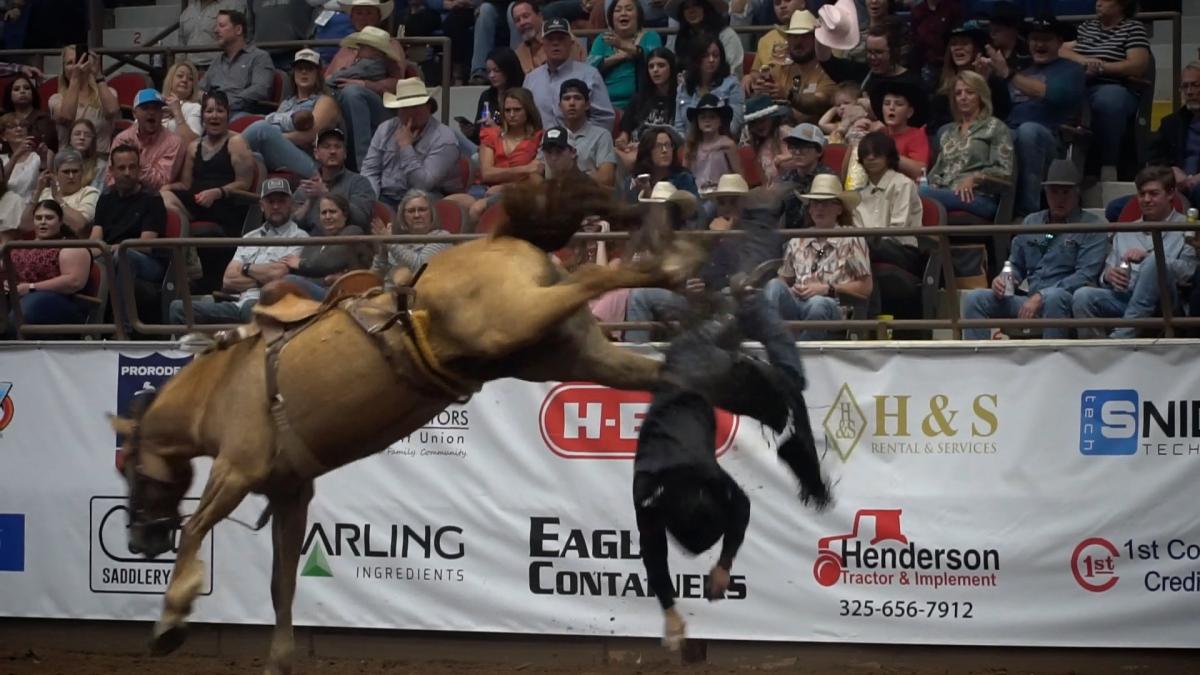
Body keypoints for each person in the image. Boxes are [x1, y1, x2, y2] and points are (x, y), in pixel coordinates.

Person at [633, 256, 829, 649]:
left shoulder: (686, 479)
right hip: (690, 369)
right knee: (758, 365)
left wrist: (720, 566)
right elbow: (734, 509)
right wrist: (675, 608)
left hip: (707, 376)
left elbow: (737, 508)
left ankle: (744, 298)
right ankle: (736, 298)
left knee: (791, 380)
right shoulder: (656, 491)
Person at [961, 160, 1106, 340]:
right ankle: (977, 362)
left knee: (1054, 297)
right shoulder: (1032, 222)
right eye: (1054, 191)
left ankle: (1053, 361)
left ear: (1078, 193)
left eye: (1066, 192)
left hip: (1065, 300)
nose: (1059, 198)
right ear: (1046, 192)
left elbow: (1085, 275)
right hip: (1028, 299)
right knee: (974, 299)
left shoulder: (1092, 226)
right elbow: (1016, 264)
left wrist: (1041, 296)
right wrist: (1005, 279)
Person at [1072, 166, 1196, 339]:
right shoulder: (1125, 230)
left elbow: (1189, 272)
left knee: (1155, 262)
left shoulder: (1187, 227)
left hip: (1165, 304)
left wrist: (1151, 258)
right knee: (1082, 295)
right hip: (1127, 297)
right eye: (1141, 194)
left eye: (1153, 194)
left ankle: (1121, 338)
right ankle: (1097, 355)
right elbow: (1107, 272)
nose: (1146, 199)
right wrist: (1108, 276)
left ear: (1170, 194)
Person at [168, 178, 309, 325]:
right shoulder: (250, 237)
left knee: (251, 309)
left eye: (281, 201)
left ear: (291, 205)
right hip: (237, 304)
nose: (275, 206)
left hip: (271, 305)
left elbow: (278, 275)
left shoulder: (300, 237)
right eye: (271, 201)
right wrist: (262, 278)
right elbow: (228, 280)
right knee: (178, 308)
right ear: (261, 205)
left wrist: (245, 268)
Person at [992, 15, 1085, 218]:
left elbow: (1051, 93)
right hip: (1012, 133)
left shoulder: (1071, 70)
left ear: (1059, 43)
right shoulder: (1023, 69)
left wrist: (1009, 74)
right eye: (1034, 39)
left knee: (1028, 131)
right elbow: (997, 107)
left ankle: (1028, 213)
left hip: (1052, 142)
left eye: (1046, 39)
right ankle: (990, 206)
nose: (1039, 44)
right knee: (997, 132)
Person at [765, 174, 871, 340]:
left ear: (839, 209)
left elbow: (866, 286)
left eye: (826, 203)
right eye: (815, 203)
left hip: (833, 304)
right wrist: (790, 289)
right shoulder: (796, 240)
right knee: (773, 286)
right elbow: (783, 279)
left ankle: (801, 356)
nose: (819, 209)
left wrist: (828, 289)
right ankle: (771, 343)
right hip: (797, 302)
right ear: (809, 209)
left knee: (818, 303)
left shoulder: (852, 238)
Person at [1058, 0, 1150, 179]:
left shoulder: (1133, 28)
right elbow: (1061, 50)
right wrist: (1084, 62)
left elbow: (1138, 65)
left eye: (1105, 0)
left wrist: (1101, 68)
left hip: (1116, 86)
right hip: (1082, 84)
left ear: (1121, 4)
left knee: (1109, 99)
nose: (1098, 3)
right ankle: (1062, 164)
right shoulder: (1087, 27)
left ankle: (1108, 164)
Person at [327, 0, 410, 172]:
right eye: (359, 13)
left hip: (382, 107)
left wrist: (365, 84)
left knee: (353, 92)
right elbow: (327, 78)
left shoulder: (389, 44)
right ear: (351, 17)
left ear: (378, 17)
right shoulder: (344, 49)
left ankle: (364, 165)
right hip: (339, 102)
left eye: (369, 13)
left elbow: (399, 84)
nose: (363, 17)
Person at [161, 91, 256, 238]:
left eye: (220, 110)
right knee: (163, 197)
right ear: (203, 117)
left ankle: (185, 246)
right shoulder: (193, 146)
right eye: (209, 111)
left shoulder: (237, 142)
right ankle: (185, 246)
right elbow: (186, 185)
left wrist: (218, 192)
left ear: (228, 115)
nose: (214, 116)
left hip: (224, 204)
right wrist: (168, 187)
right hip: (196, 203)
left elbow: (244, 184)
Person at [920, 70, 1013, 220]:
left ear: (980, 96)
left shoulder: (995, 127)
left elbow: (1005, 172)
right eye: (958, 93)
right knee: (908, 191)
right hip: (945, 193)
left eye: (969, 92)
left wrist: (975, 178)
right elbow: (937, 171)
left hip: (977, 197)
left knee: (918, 195)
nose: (963, 97)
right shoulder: (948, 133)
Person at [361, 78, 462, 208]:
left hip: (427, 199)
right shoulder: (385, 128)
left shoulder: (444, 138)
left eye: (415, 107)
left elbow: (423, 184)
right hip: (385, 196)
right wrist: (372, 202)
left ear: (428, 107)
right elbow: (370, 170)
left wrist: (406, 147)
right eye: (404, 108)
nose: (410, 113)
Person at [241, 48, 340, 174]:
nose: (304, 72)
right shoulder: (286, 103)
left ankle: (229, 152)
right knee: (253, 156)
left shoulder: (325, 101)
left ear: (317, 74)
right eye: (299, 69)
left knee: (261, 129)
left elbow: (310, 136)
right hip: (282, 153)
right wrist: (273, 137)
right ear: (293, 74)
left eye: (309, 69)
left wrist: (274, 137)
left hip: (310, 163)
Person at [3, 200, 91, 332]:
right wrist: (8, 282)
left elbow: (74, 282)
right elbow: (6, 267)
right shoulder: (20, 245)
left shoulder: (71, 246)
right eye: (38, 218)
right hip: (20, 297)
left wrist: (31, 287)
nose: (43, 222)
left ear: (60, 222)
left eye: (49, 218)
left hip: (60, 302)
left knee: (25, 308)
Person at [465, 87, 545, 222]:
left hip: (520, 191)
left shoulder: (539, 136)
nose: (512, 114)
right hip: (484, 188)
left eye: (517, 110)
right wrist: (525, 169)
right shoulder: (491, 134)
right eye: (507, 110)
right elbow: (487, 173)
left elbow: (537, 175)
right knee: (451, 203)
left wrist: (504, 186)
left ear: (528, 110)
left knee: (477, 209)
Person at [92, 144, 169, 283]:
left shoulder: (152, 198)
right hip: (110, 253)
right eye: (121, 168)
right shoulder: (106, 196)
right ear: (112, 171)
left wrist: (116, 248)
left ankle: (123, 306)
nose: (127, 173)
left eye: (132, 167)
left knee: (125, 255)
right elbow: (95, 238)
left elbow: (146, 244)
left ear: (139, 169)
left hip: (147, 260)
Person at [524, 18, 615, 131]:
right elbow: (525, 118)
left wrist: (585, 141)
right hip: (539, 145)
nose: (555, 43)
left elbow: (604, 118)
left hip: (580, 144)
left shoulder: (590, 75)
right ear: (543, 44)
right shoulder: (531, 79)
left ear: (571, 43)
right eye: (550, 39)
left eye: (561, 39)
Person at [926, 21, 1011, 139]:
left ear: (976, 49)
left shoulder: (992, 80)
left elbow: (1001, 115)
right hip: (951, 139)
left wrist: (982, 84)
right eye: (954, 44)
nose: (958, 48)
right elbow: (935, 123)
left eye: (965, 43)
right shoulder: (941, 81)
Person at [280, 193, 371, 299]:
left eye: (332, 212)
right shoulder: (315, 241)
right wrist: (325, 279)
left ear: (345, 214)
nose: (327, 217)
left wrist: (301, 264)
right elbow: (307, 274)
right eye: (324, 213)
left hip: (345, 295)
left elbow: (326, 263)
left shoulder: (353, 232)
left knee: (289, 281)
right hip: (320, 292)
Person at [754, 10, 835, 126]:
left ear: (816, 39)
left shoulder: (829, 70)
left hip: (813, 136)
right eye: (793, 36)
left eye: (804, 36)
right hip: (779, 131)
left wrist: (789, 96)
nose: (798, 42)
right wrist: (761, 93)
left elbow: (819, 103)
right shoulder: (780, 68)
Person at [291, 127, 376, 232]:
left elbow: (361, 219)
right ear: (316, 153)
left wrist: (325, 195)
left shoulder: (358, 183)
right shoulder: (307, 188)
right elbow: (292, 226)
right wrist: (310, 201)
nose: (332, 151)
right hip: (314, 245)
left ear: (345, 153)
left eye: (338, 146)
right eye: (326, 147)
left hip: (346, 243)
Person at [587, 0, 664, 111]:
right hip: (604, 105)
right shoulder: (602, 39)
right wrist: (621, 56)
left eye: (629, 9)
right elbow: (590, 68)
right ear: (611, 17)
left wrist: (622, 45)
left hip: (641, 105)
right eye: (618, 10)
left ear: (638, 15)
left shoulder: (650, 36)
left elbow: (656, 60)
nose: (623, 13)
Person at [197, 9, 275, 117]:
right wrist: (206, 99)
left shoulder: (259, 57)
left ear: (238, 30)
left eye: (221, 25)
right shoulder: (217, 60)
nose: (215, 30)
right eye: (216, 26)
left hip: (241, 112)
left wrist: (224, 104)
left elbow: (260, 90)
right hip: (213, 111)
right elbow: (200, 89)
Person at [1145, 61, 1200, 210]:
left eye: (1195, 85)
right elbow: (1153, 159)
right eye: (1185, 86)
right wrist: (1172, 171)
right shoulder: (1171, 123)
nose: (1189, 92)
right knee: (1115, 208)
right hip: (1174, 188)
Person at [370, 188, 451, 287]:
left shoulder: (442, 237)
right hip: (386, 296)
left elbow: (419, 267)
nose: (417, 215)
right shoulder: (398, 241)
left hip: (420, 297)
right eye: (411, 211)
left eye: (422, 210)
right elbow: (376, 276)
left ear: (431, 213)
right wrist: (383, 249)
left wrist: (390, 242)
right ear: (403, 216)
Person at [543, 79, 617, 188]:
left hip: (589, 199)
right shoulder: (550, 135)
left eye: (577, 98)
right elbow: (538, 171)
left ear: (587, 105)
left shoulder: (601, 135)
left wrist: (570, 174)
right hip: (556, 198)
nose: (572, 103)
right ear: (560, 106)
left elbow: (606, 179)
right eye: (566, 98)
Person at [48, 45, 120, 155]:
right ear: (63, 69)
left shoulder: (108, 92)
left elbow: (112, 111)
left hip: (100, 162)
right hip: (69, 163)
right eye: (70, 63)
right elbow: (67, 116)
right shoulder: (56, 99)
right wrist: (75, 79)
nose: (76, 66)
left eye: (79, 60)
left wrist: (98, 75)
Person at [109, 89, 184, 191]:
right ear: (134, 113)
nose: (151, 112)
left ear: (162, 113)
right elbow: (110, 178)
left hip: (154, 199)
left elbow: (161, 182)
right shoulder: (122, 139)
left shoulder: (174, 143)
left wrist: (138, 158)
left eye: (156, 108)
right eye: (145, 108)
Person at [674, 33, 745, 139]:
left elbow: (734, 126)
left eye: (715, 55)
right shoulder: (683, 88)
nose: (711, 60)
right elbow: (679, 128)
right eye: (705, 56)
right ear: (695, 59)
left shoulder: (732, 84)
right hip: (690, 147)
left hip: (721, 145)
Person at [615, 47, 679, 167]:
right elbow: (625, 131)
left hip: (663, 150)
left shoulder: (678, 98)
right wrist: (622, 140)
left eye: (661, 65)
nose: (655, 70)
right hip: (634, 149)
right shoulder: (638, 98)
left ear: (671, 68)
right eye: (651, 66)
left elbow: (679, 135)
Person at [21, 149, 99, 237]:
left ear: (82, 173)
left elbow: (79, 226)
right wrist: (37, 192)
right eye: (66, 172)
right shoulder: (45, 193)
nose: (71, 176)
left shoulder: (90, 192)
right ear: (56, 174)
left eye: (75, 171)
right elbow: (24, 226)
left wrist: (57, 198)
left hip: (70, 245)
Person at [864, 79, 929, 181]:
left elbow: (920, 171)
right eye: (886, 103)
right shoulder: (878, 133)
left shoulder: (916, 135)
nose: (891, 107)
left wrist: (888, 154)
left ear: (909, 112)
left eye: (898, 104)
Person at [459, 48, 525, 149]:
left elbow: (521, 136)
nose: (491, 75)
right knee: (452, 135)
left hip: (510, 149)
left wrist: (495, 129)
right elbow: (480, 136)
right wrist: (471, 133)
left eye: (496, 71)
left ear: (508, 69)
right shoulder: (486, 96)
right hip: (486, 147)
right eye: (488, 71)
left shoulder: (521, 96)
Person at [777, 123, 836, 228]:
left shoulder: (828, 179)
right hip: (790, 240)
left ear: (819, 151)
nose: (797, 152)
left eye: (804, 146)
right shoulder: (787, 178)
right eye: (793, 146)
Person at [737, 0, 806, 90]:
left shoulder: (818, 33)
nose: (782, 6)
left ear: (803, 2)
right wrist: (750, 78)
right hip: (771, 98)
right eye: (777, 3)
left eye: (788, 0)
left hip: (806, 95)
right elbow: (757, 73)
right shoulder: (766, 40)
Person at [668, 0, 742, 77]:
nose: (691, 11)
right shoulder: (682, 38)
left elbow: (732, 71)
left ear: (707, 8)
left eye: (696, 5)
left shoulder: (726, 35)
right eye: (686, 7)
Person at [684, 94, 741, 195]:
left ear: (720, 121)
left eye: (712, 117)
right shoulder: (692, 146)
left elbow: (739, 176)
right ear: (697, 122)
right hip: (697, 195)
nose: (707, 120)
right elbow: (685, 177)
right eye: (703, 117)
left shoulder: (728, 145)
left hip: (721, 196)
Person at [625, 126, 698, 203]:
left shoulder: (684, 179)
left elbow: (696, 212)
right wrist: (645, 193)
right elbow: (630, 211)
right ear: (647, 151)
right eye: (658, 146)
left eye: (668, 145)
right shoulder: (634, 181)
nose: (664, 150)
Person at [513, 1, 586, 74]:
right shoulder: (518, 53)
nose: (522, 23)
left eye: (526, 16)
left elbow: (576, 72)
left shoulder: (565, 39)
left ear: (540, 16)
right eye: (517, 20)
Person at [179, 0, 248, 68]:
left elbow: (240, 39)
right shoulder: (187, 11)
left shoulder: (231, 5)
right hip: (191, 70)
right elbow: (181, 44)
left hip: (220, 67)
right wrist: (180, 66)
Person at [909, 0, 961, 87]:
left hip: (949, 62)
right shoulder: (917, 11)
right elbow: (914, 39)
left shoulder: (953, 9)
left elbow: (957, 37)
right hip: (925, 62)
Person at [740, 95, 789, 189]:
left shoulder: (785, 132)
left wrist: (784, 159)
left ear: (773, 119)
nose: (758, 126)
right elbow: (765, 182)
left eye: (762, 121)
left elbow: (805, 156)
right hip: (774, 193)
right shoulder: (759, 147)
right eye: (753, 123)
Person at [2, 75, 55, 156]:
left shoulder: (44, 118)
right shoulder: (3, 120)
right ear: (9, 95)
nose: (22, 91)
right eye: (16, 89)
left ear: (33, 93)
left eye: (27, 88)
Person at [0, 114, 42, 212]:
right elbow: (0, 185)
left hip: (31, 209)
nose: (19, 129)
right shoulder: (1, 160)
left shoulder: (38, 158)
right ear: (3, 136)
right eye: (12, 126)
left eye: (23, 125)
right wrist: (15, 156)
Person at [161, 61, 203, 145]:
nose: (184, 80)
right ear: (170, 79)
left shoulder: (195, 107)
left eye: (190, 78)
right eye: (180, 76)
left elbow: (194, 144)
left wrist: (178, 113)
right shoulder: (156, 103)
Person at [986, 1, 1030, 73]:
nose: (992, 35)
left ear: (1013, 30)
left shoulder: (1027, 55)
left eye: (997, 31)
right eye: (990, 31)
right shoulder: (988, 53)